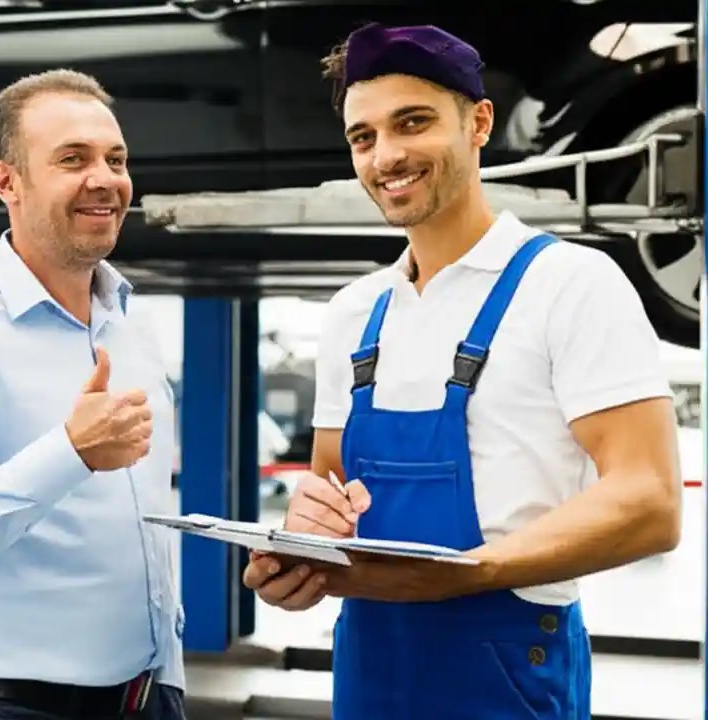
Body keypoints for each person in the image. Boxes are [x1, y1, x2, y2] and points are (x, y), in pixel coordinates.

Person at [241, 23, 683, 720]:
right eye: (364, 137)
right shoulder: (354, 314)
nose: (387, 156)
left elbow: (650, 501)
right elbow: (326, 499)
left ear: (479, 123)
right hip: (369, 668)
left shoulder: (569, 284)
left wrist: (470, 573)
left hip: (509, 672)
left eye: (412, 123)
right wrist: (292, 564)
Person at [0, 69, 186, 720]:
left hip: (147, 695)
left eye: (116, 158)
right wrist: (69, 452)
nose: (105, 178)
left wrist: (170, 682)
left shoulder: (133, 322)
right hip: (9, 708)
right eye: (72, 159)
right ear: (7, 182)